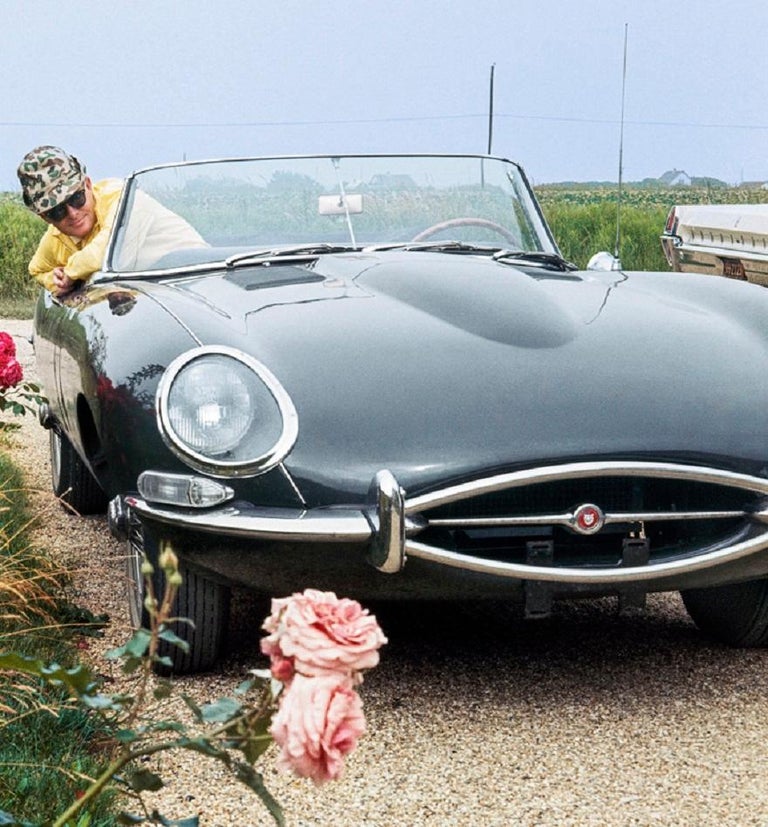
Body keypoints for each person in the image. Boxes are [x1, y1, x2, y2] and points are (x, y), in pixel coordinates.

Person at [17, 145, 207, 297]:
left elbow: (103, 252)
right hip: (150, 295)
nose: (72, 213)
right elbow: (37, 269)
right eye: (57, 211)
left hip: (198, 280)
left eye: (77, 198)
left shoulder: (125, 198)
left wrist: (70, 273)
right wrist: (55, 280)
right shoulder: (55, 236)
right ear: (45, 217)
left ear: (88, 185)